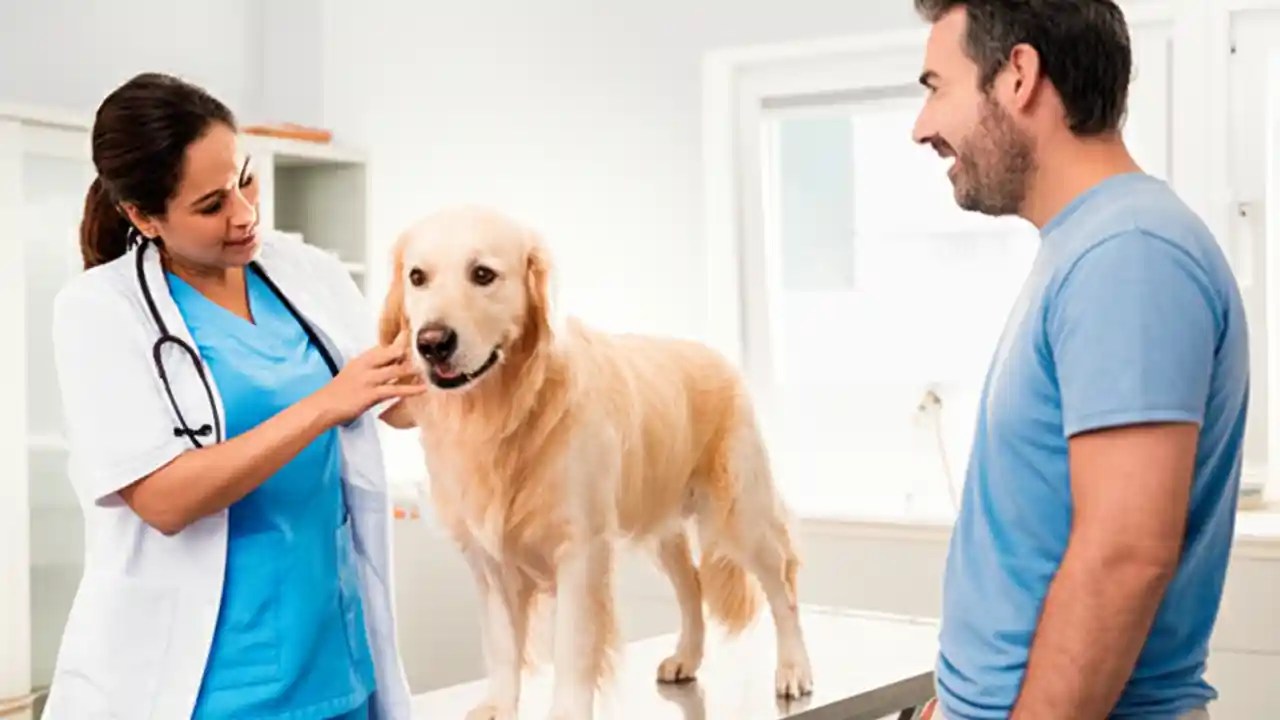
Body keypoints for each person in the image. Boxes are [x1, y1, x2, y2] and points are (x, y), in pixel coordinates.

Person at [41, 72, 427, 719]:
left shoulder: (306, 274)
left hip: (336, 665)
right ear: (143, 216)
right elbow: (163, 500)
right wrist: (324, 405)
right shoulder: (100, 310)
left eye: (246, 179)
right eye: (211, 204)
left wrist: (470, 346)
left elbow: (401, 403)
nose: (245, 214)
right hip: (208, 688)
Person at [910, 2, 1248, 719]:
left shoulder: (1129, 254)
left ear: (1019, 76)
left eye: (937, 86)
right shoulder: (1090, 247)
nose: (923, 127)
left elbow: (1124, 557)